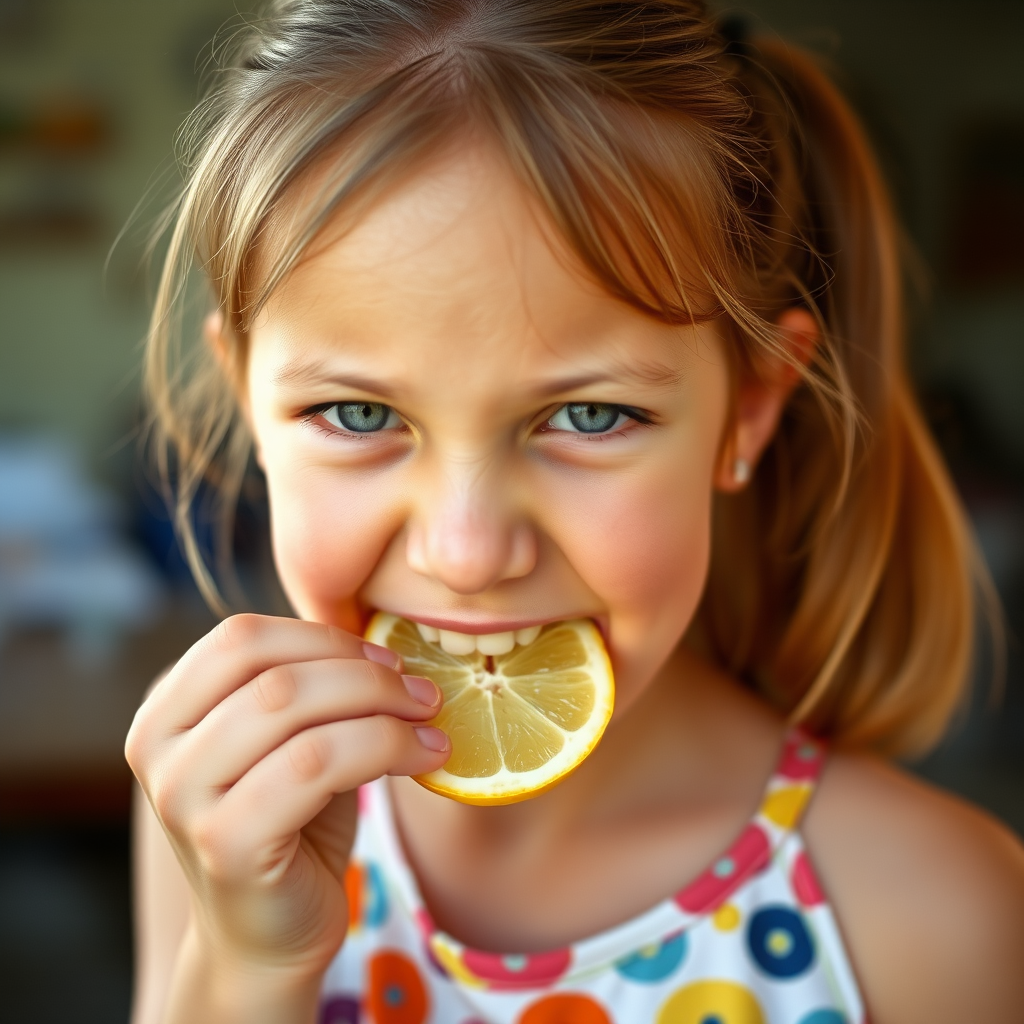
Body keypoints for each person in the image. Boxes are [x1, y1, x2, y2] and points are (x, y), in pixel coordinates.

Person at [125, 3, 1024, 1022]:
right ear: (249, 401)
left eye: (588, 415)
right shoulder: (218, 797)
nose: (465, 552)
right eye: (358, 412)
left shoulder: (935, 920)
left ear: (751, 407)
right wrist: (248, 969)